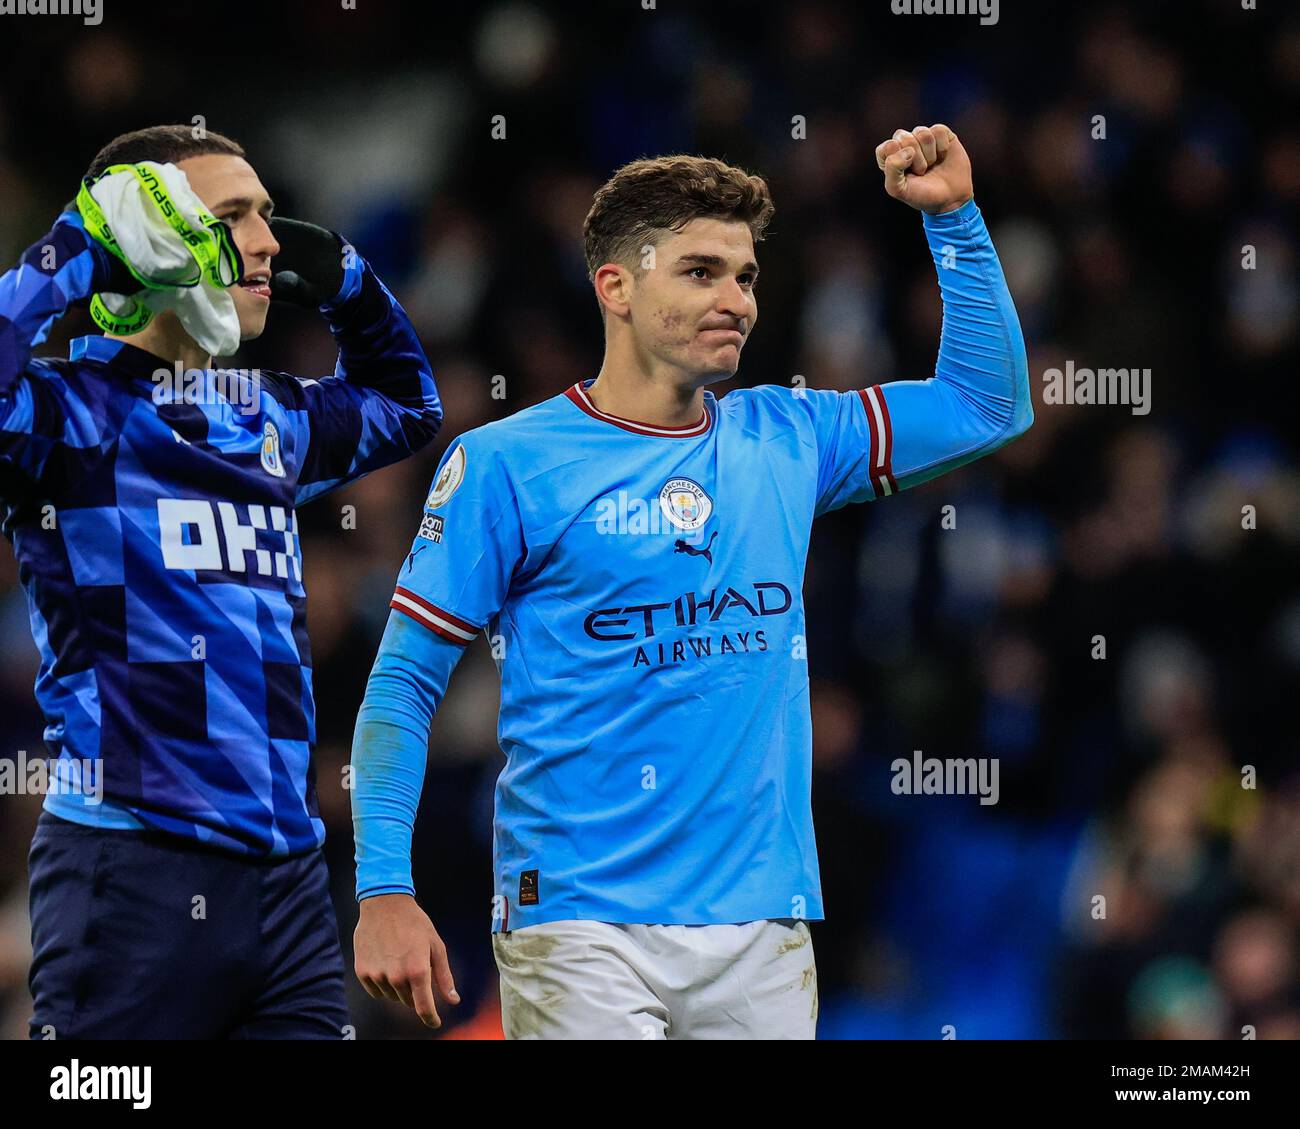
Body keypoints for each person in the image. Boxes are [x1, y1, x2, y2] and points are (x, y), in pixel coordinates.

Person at [350, 124, 1030, 1038]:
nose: (737, 300)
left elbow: (987, 406)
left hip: (762, 923)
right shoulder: (508, 464)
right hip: (578, 918)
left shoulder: (789, 438)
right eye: (702, 272)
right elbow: (402, 683)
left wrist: (952, 219)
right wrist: (385, 887)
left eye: (746, 276)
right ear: (616, 286)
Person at [1, 124, 442, 1038]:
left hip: (288, 883)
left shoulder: (265, 414)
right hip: (131, 870)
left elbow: (408, 406)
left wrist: (351, 283)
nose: (270, 241)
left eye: (268, 215)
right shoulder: (68, 416)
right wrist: (75, 254)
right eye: (232, 216)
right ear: (149, 240)